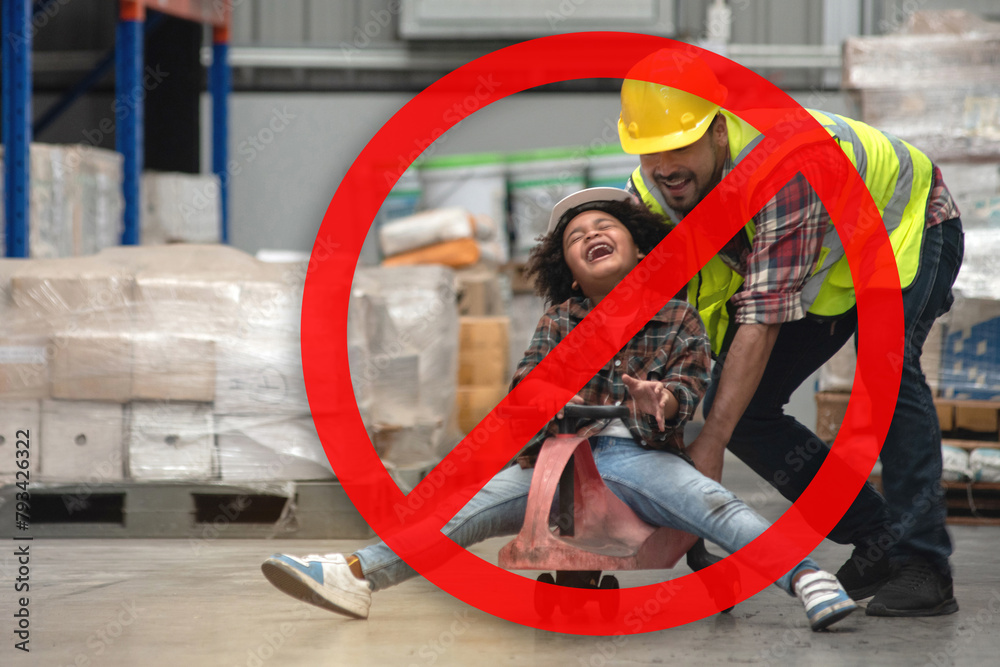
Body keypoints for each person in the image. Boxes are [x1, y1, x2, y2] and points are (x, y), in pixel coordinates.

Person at [261, 187, 857, 631]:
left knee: (713, 504)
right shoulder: (559, 321)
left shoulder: (678, 317)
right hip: (554, 462)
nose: (590, 235)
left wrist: (661, 400)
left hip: (634, 456)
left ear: (640, 248)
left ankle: (808, 579)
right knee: (451, 514)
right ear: (569, 276)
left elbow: (687, 386)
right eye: (576, 238)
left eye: (604, 227)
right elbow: (527, 390)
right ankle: (354, 576)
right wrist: (549, 402)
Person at [617, 48, 964, 617]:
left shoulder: (786, 162)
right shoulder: (650, 197)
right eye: (651, 149)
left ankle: (924, 564)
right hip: (826, 265)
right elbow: (654, 320)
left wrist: (710, 444)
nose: (665, 164)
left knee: (888, 375)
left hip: (908, 228)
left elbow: (762, 312)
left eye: (681, 143)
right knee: (745, 409)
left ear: (721, 131)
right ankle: (878, 538)